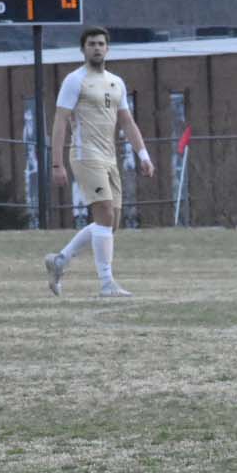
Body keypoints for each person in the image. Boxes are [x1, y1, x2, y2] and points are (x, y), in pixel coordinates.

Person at [43, 26, 154, 298]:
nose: (96, 48)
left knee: (110, 223)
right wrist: (56, 163)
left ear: (108, 48)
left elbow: (127, 122)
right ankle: (107, 284)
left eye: (101, 44)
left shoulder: (116, 82)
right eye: (91, 43)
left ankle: (60, 260)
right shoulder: (74, 80)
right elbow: (59, 121)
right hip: (84, 154)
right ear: (83, 49)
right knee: (103, 212)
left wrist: (143, 155)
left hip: (109, 158)